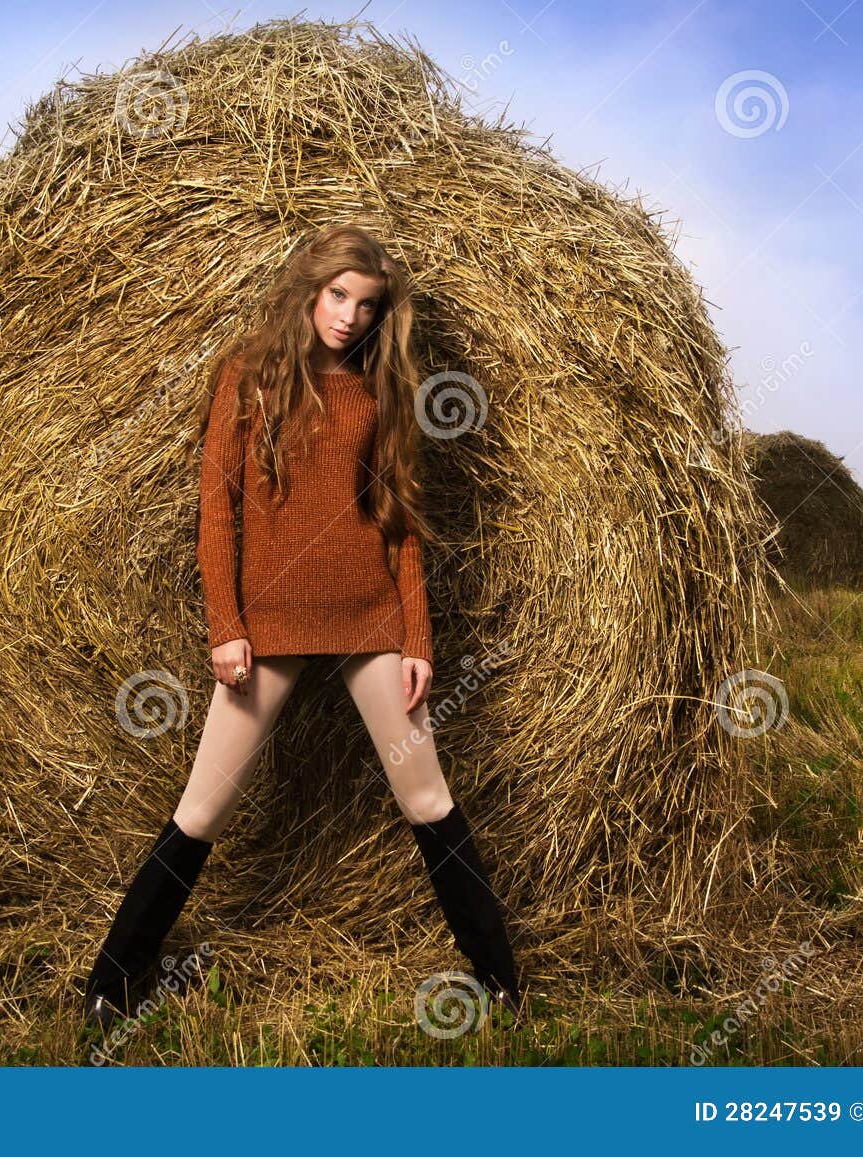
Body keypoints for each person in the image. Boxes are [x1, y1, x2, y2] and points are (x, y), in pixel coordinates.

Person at [80, 224, 523, 1032]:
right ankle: (109, 985)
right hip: (269, 624)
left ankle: (502, 980)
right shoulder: (246, 375)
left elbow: (401, 523)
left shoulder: (379, 390)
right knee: (203, 807)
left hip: (370, 616)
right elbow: (219, 507)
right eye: (338, 295)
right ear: (311, 290)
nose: (350, 316)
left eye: (367, 304)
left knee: (427, 796)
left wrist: (415, 636)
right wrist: (227, 624)